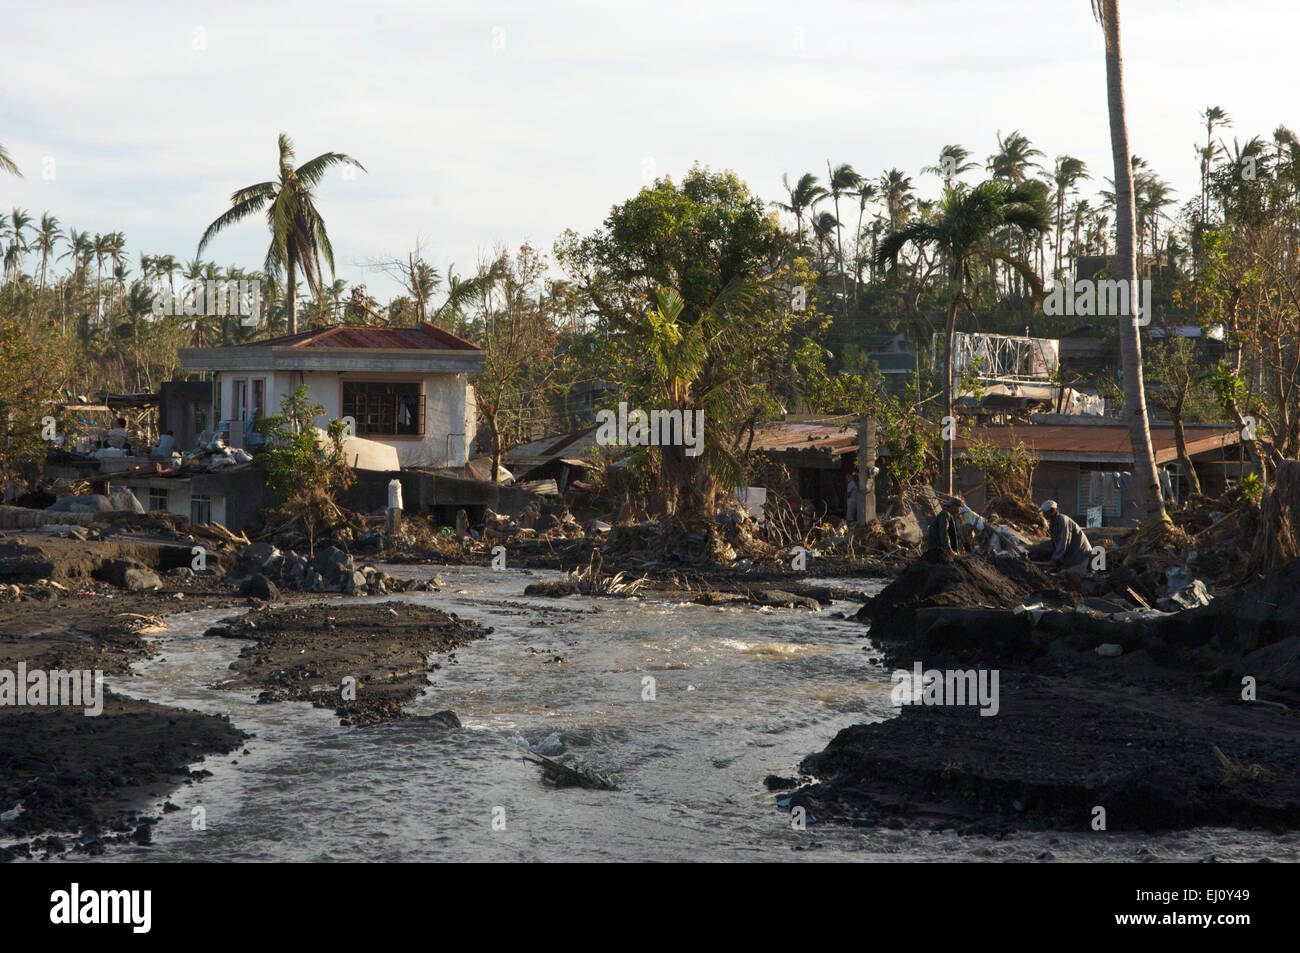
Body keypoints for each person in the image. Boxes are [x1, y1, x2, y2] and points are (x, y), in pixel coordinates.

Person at [1040, 499, 1093, 574]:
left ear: (1052, 511)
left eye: (1045, 513)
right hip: (1072, 557)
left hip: (1080, 556)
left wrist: (1055, 559)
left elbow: (1064, 542)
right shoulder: (1053, 523)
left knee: (1074, 579)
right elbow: (1055, 544)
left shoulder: (1063, 520)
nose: (1044, 515)